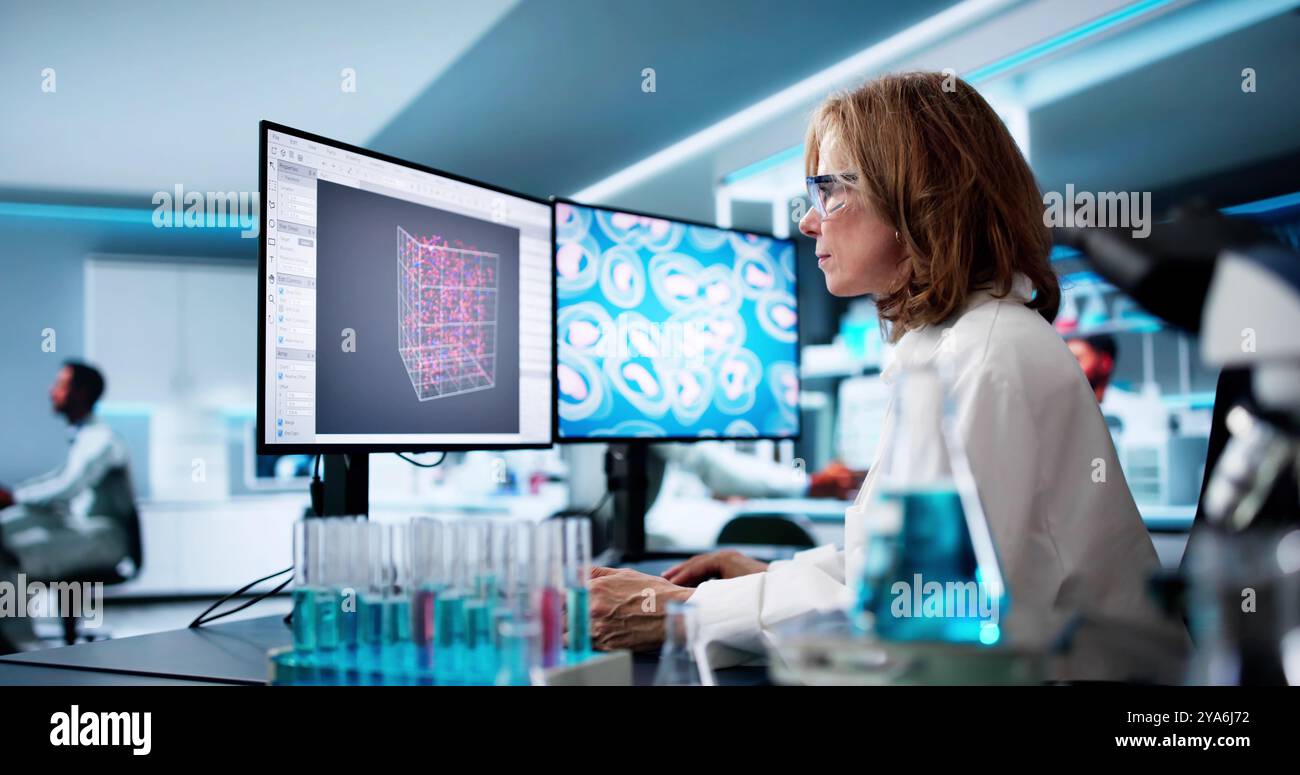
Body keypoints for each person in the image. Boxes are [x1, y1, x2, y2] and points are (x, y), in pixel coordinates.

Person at [585, 72, 1177, 672]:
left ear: (918, 198)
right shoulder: (958, 345)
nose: (810, 223)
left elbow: (923, 619)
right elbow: (896, 573)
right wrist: (763, 581)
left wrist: (688, 613)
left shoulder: (989, 357)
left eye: (829, 193)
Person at [0, 361, 136, 583]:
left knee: (10, 554)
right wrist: (15, 497)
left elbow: (69, 486)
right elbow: (58, 479)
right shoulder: (84, 436)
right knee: (6, 523)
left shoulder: (101, 439)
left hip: (103, 536)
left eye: (60, 385)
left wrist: (15, 497)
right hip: (80, 526)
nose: (51, 390)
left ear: (80, 393)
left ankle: (13, 616)